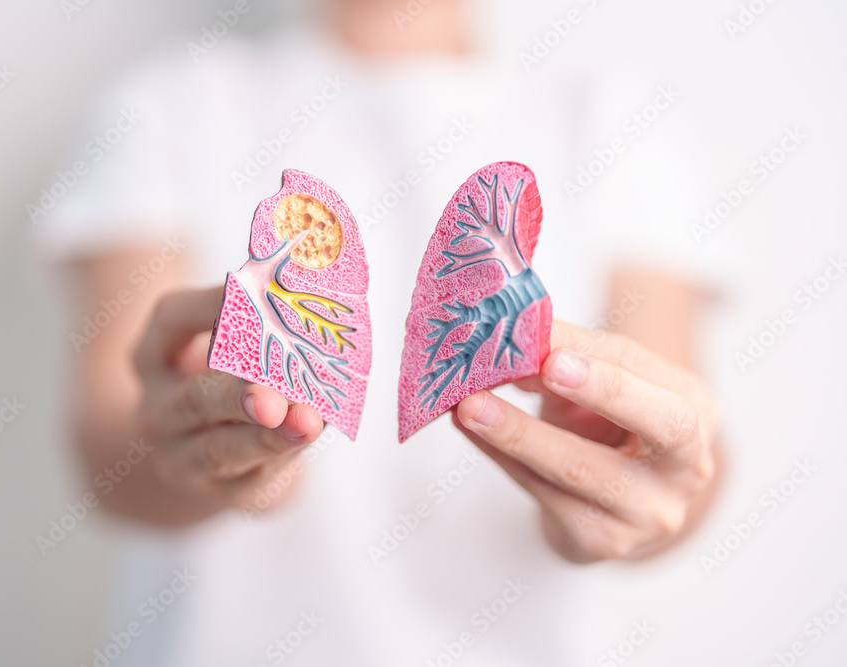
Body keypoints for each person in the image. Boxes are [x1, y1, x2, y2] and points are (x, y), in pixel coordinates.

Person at [40, 0, 723, 663]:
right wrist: (202, 456)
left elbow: (691, 432)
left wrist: (648, 487)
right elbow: (109, 452)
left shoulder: (616, 120)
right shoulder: (171, 104)